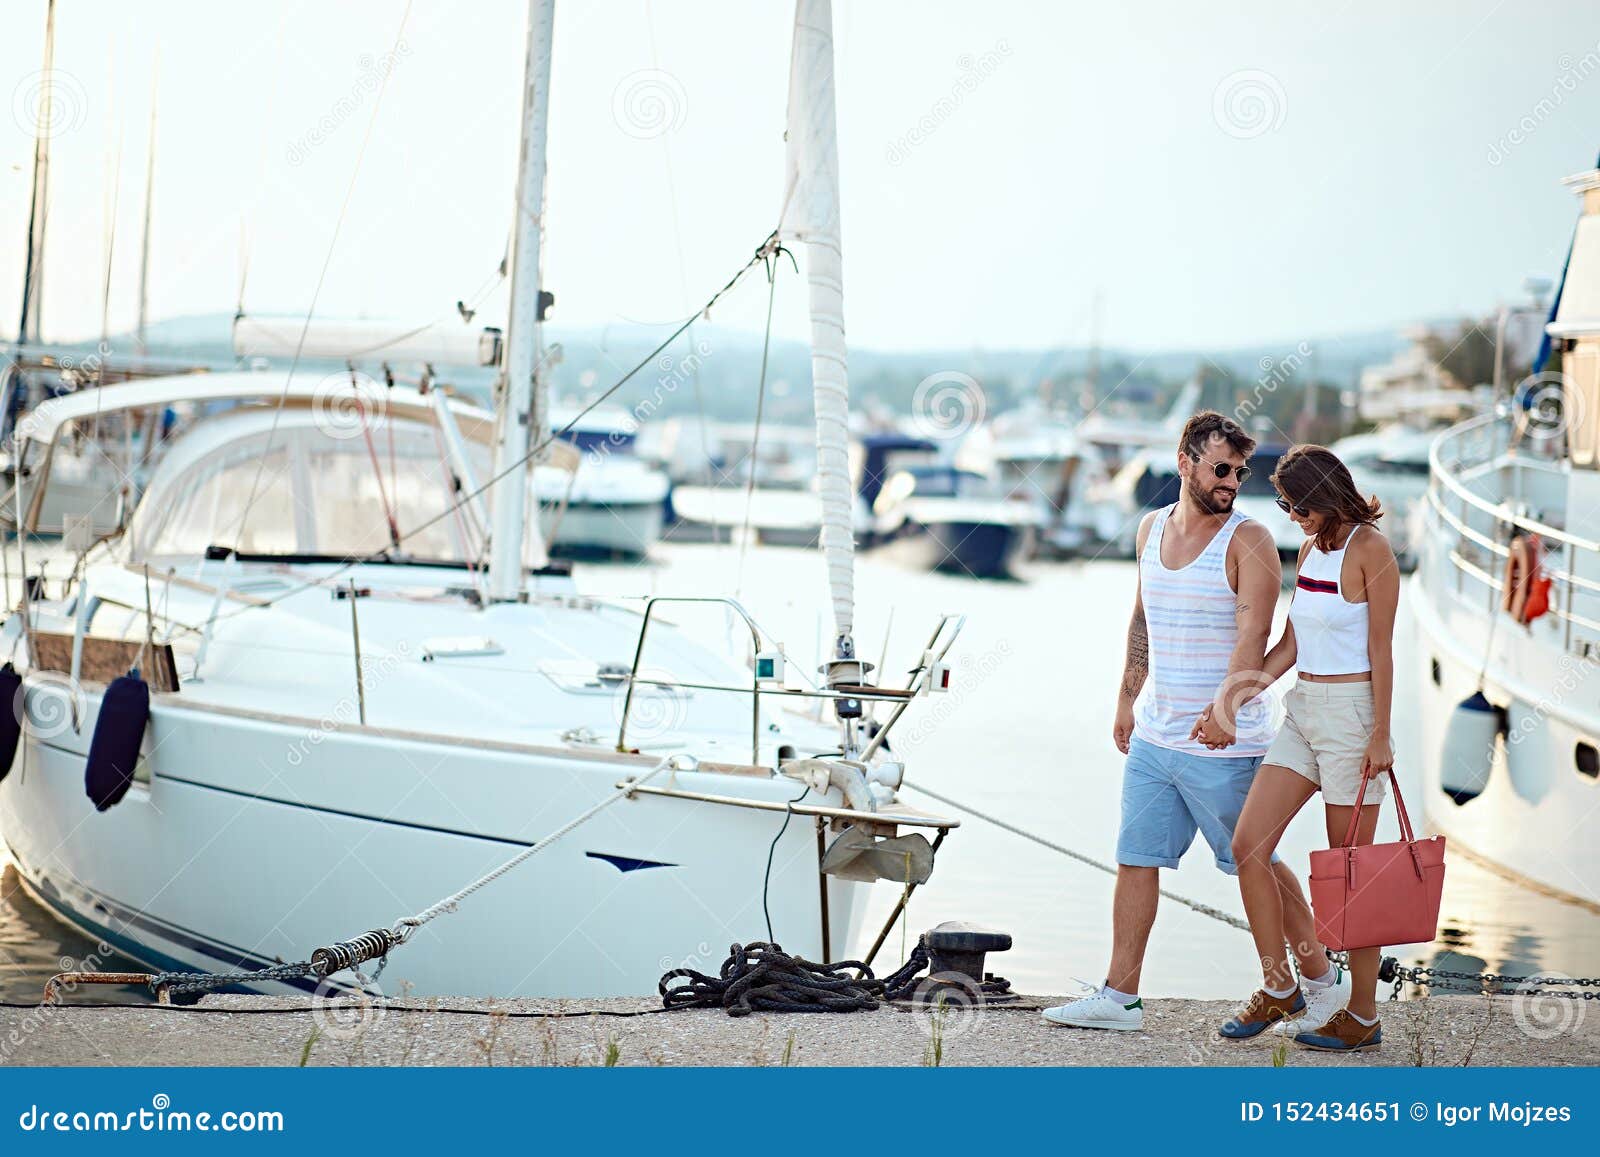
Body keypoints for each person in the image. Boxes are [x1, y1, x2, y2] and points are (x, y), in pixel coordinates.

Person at [1042, 413, 1342, 1031]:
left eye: (1240, 471)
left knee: (1253, 864)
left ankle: (1320, 980)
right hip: (1156, 736)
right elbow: (1142, 618)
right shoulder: (1150, 529)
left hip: (1226, 744)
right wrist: (1128, 699)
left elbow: (1253, 631)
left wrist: (1227, 709)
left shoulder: (1249, 538)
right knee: (1136, 858)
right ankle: (1120, 996)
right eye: (1220, 468)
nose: (1232, 481)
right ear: (1185, 462)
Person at [1197, 444, 1398, 1052]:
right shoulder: (1312, 549)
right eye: (1284, 505)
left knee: (1351, 874)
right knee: (1247, 845)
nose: (1292, 517)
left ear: (1327, 495)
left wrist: (1381, 734)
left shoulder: (1371, 549)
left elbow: (1383, 652)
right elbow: (1290, 644)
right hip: (1304, 712)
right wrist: (1233, 699)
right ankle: (1280, 985)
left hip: (1355, 718)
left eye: (1299, 505)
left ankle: (1362, 1016)